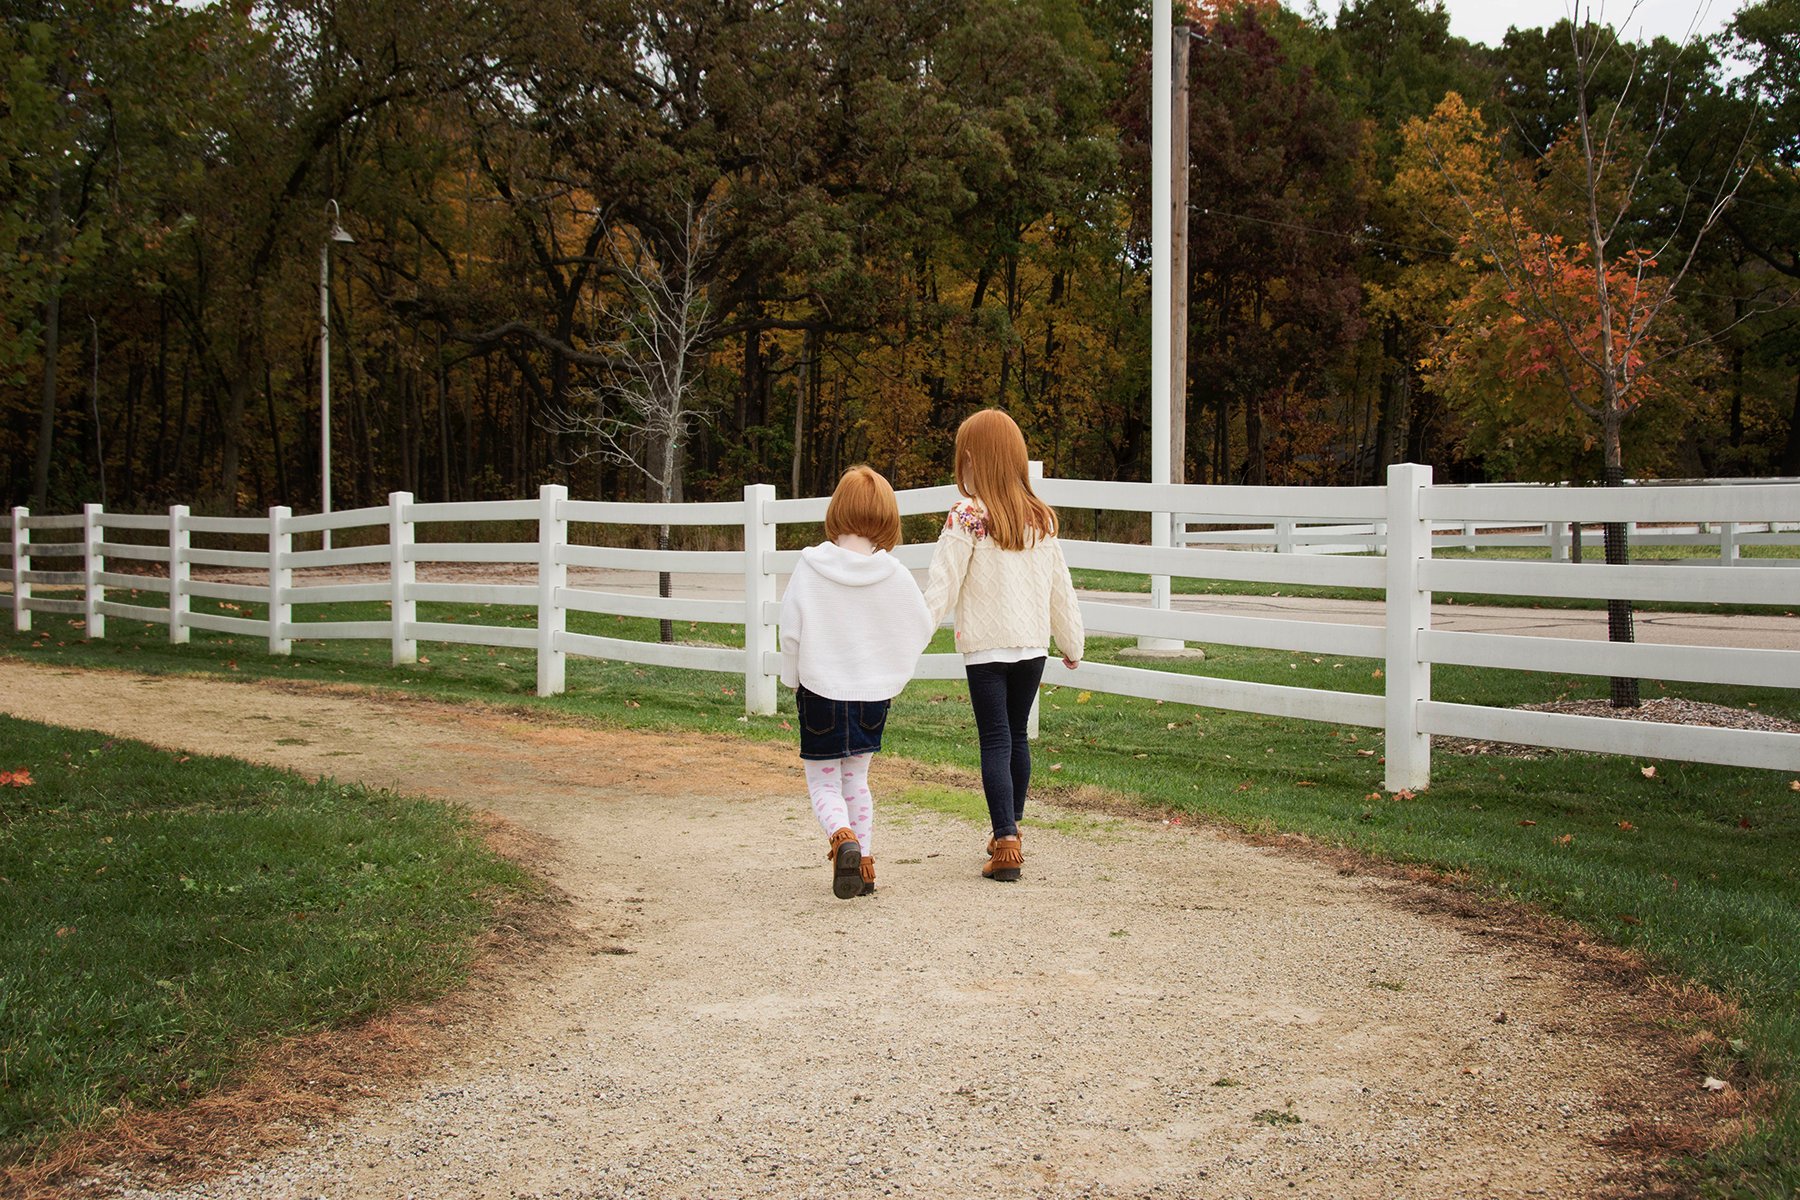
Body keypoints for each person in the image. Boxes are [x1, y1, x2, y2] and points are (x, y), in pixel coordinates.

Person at [924, 409, 1083, 883]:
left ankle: (1005, 838)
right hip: (1031, 648)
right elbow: (1060, 590)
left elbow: (943, 584)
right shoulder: (1039, 517)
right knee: (1016, 736)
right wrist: (1072, 643)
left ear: (973, 460)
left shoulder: (967, 516)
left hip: (986, 650)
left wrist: (913, 633)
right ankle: (1010, 834)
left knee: (995, 738)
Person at [779, 465, 935, 899]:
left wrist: (792, 678)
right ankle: (863, 864)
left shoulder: (810, 566)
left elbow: (790, 632)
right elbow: (920, 627)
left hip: (819, 692)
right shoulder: (894, 575)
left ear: (837, 511)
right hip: (871, 697)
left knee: (824, 782)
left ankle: (841, 836)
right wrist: (891, 672)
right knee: (858, 781)